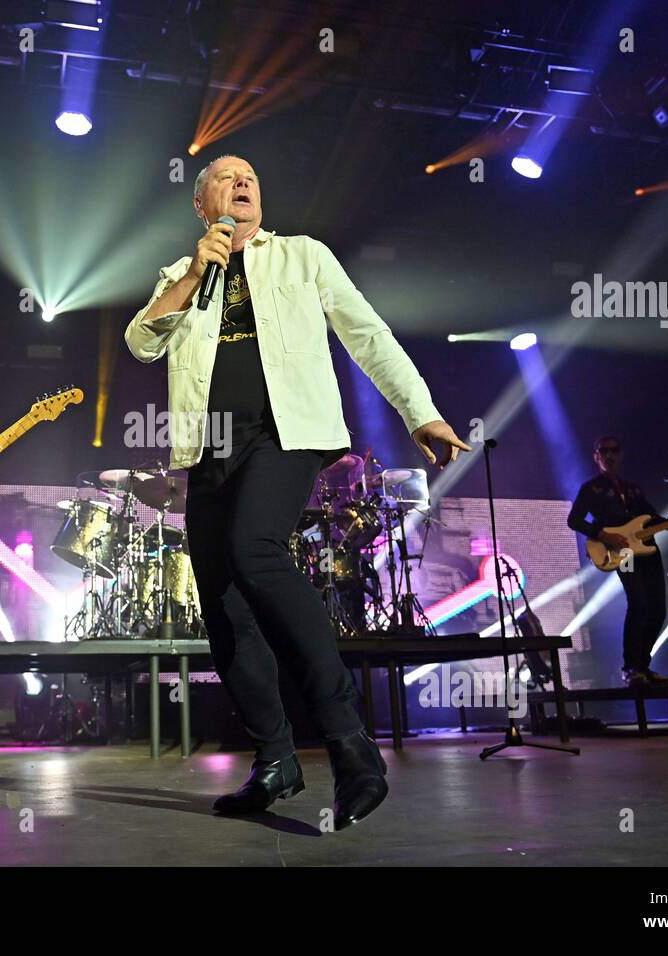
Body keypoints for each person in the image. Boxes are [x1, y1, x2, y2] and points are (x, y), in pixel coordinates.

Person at [125, 155, 470, 829]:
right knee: (224, 609)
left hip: (287, 433)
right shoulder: (182, 273)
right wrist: (195, 273)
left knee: (255, 550)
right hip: (207, 450)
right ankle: (275, 760)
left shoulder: (304, 257)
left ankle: (350, 745)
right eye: (226, 178)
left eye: (251, 175)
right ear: (203, 204)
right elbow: (142, 343)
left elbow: (367, 334)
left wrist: (418, 409)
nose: (244, 183)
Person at [567, 435, 668, 686]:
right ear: (596, 457)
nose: (609, 455)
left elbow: (652, 520)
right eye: (603, 451)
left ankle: (642, 666)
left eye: (613, 450)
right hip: (623, 554)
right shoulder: (591, 489)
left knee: (658, 609)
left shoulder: (633, 489)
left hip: (647, 550)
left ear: (621, 454)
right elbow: (574, 520)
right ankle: (630, 668)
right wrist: (603, 535)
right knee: (638, 603)